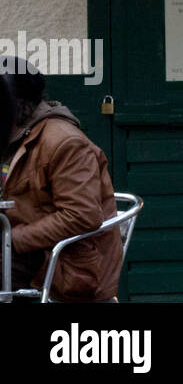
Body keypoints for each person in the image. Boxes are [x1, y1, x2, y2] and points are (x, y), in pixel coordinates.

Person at [0, 60, 123, 302]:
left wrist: (12, 239)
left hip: (62, 264)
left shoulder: (64, 143)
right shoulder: (11, 138)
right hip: (25, 251)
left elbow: (82, 214)